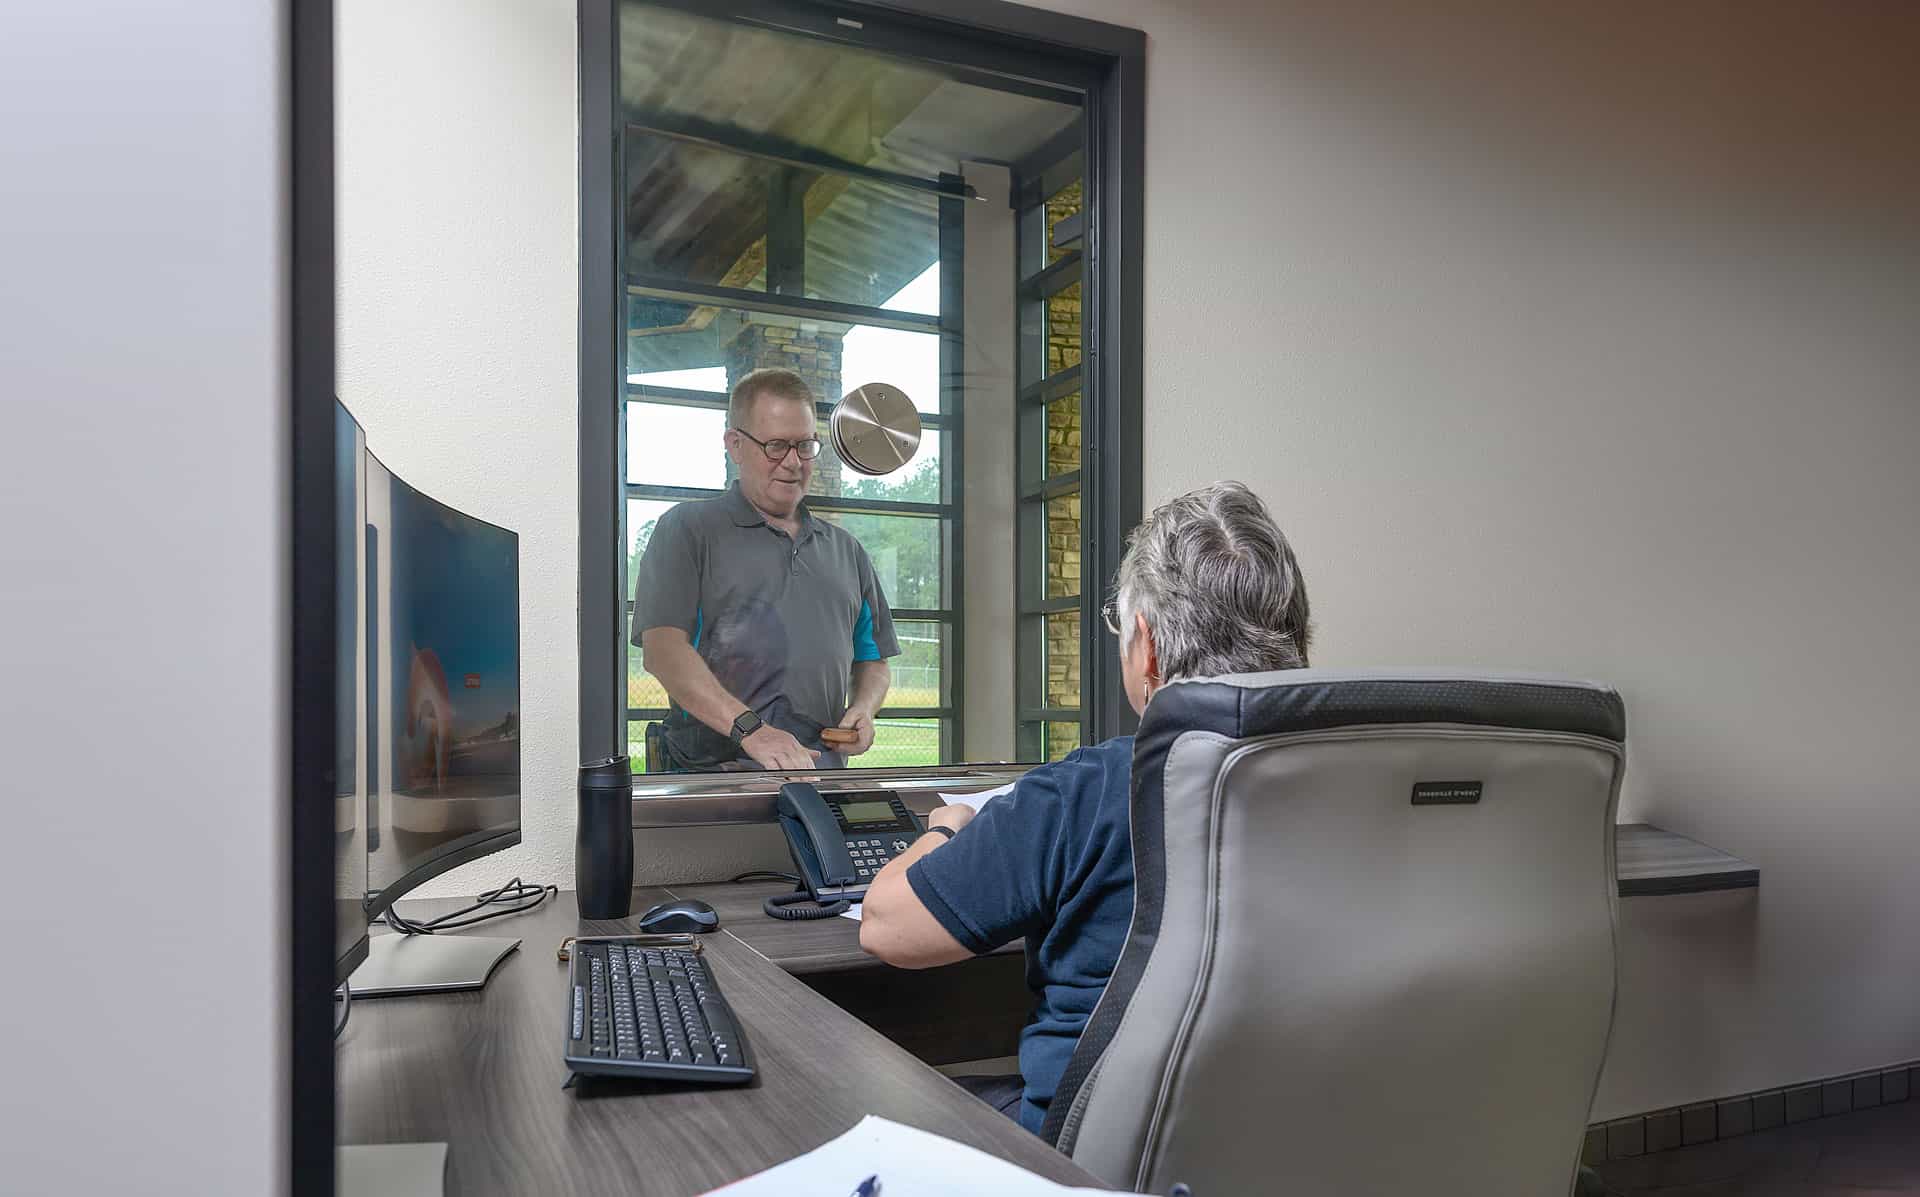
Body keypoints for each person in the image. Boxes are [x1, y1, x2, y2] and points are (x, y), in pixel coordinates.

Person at [859, 480, 1313, 1133]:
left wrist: (946, 830)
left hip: (1086, 1153)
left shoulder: (1091, 790)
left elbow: (885, 925)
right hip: (1281, 1140)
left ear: (1146, 648)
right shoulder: (1363, 792)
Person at [632, 367, 899, 771]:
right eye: (776, 446)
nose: (793, 463)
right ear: (735, 445)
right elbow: (663, 652)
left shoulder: (847, 551)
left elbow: (873, 659)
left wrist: (864, 707)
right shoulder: (687, 530)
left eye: (804, 446)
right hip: (713, 780)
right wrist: (751, 730)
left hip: (819, 779)